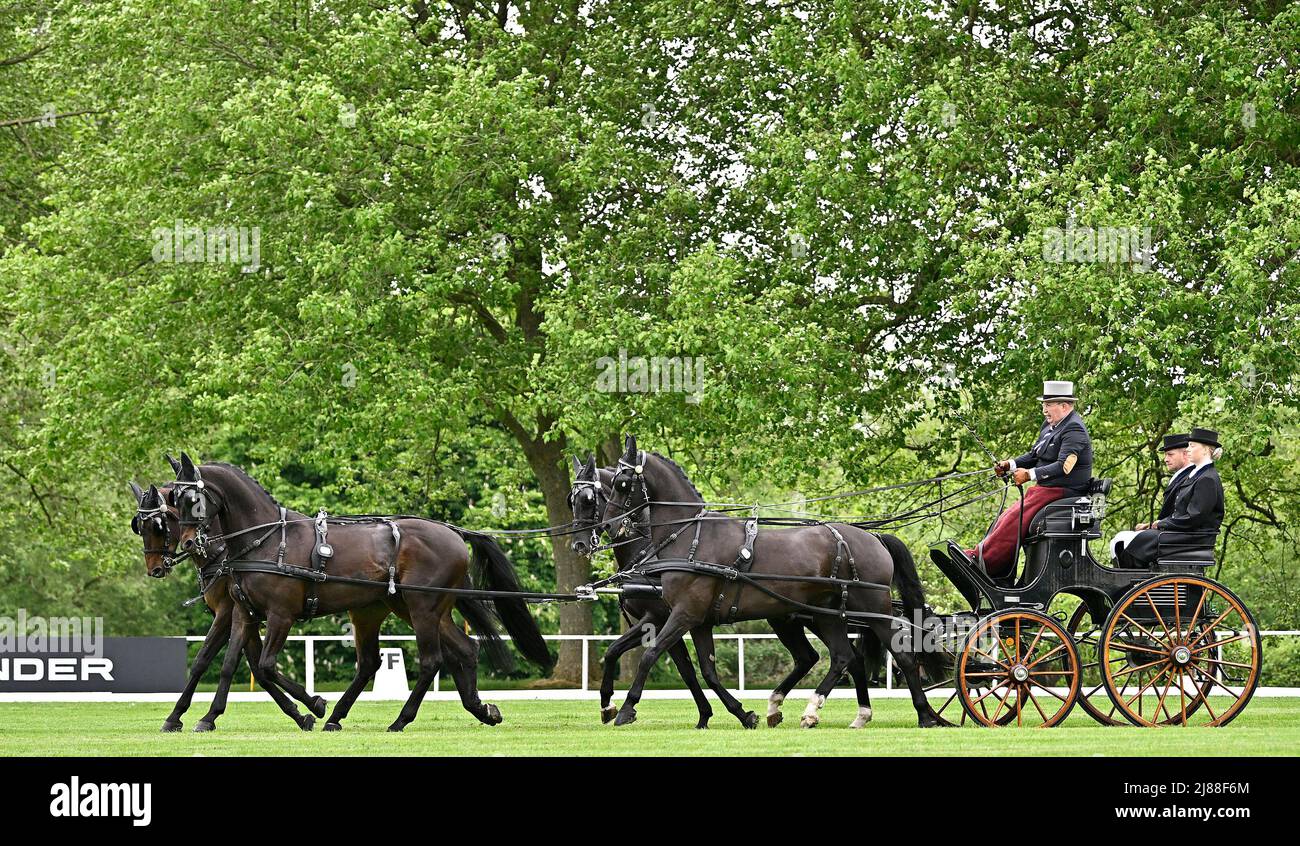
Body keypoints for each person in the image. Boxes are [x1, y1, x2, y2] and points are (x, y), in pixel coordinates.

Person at [962, 380, 1093, 577]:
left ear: (1064, 406)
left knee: (1016, 516)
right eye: (1044, 405)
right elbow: (1034, 455)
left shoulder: (1074, 429)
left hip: (1063, 490)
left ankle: (987, 561)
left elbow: (1064, 467)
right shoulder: (1051, 426)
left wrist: (1029, 475)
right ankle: (987, 559)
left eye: (1048, 405)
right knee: (1007, 515)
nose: (1044, 410)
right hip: (1046, 489)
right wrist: (1010, 464)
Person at [1118, 428, 1224, 568]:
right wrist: (1160, 523)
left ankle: (1137, 584)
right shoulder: (1198, 475)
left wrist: (1162, 524)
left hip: (1194, 537)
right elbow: (1181, 513)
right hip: (1185, 533)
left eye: (1192, 446)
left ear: (1205, 450)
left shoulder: (1207, 478)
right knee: (1135, 542)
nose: (1188, 449)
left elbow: (1194, 517)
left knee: (1138, 544)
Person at [1110, 431, 1192, 563]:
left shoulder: (1189, 478)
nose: (1165, 459)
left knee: (1127, 542)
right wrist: (1151, 525)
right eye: (1165, 455)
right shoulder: (1181, 477)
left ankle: (1132, 579)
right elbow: (1174, 514)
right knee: (1120, 539)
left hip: (1179, 536)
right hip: (1170, 530)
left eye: (1170, 454)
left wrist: (1158, 525)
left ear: (1185, 454)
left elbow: (1183, 515)